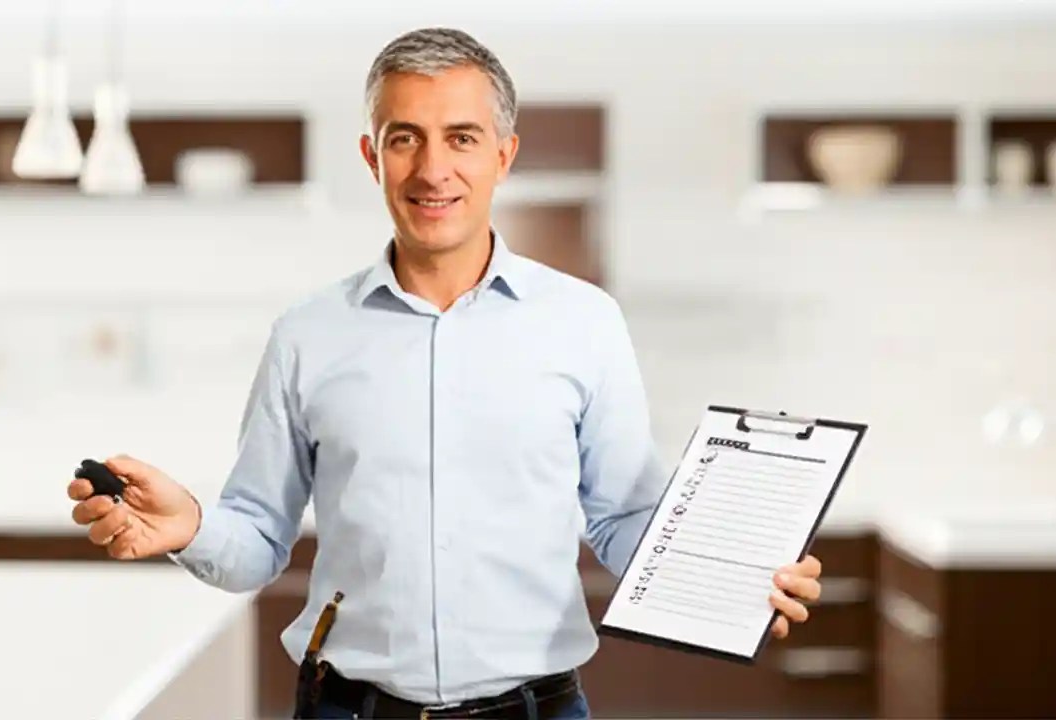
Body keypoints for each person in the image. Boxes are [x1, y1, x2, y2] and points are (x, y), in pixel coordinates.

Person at [67, 26, 824, 720]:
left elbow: (624, 519)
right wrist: (190, 527)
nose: (433, 169)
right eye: (405, 139)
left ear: (503, 154)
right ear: (372, 156)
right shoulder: (307, 336)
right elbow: (258, 535)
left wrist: (733, 574)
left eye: (461, 137)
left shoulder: (584, 323)